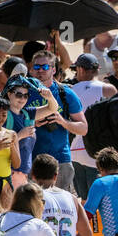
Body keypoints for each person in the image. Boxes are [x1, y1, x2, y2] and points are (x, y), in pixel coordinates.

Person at [30, 49, 88, 193]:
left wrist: (62, 121)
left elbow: (83, 128)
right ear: (31, 70)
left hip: (60, 159)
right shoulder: (24, 93)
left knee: (60, 206)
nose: (40, 71)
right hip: (32, 159)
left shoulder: (65, 94)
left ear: (54, 69)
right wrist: (33, 123)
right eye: (37, 67)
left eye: (45, 67)